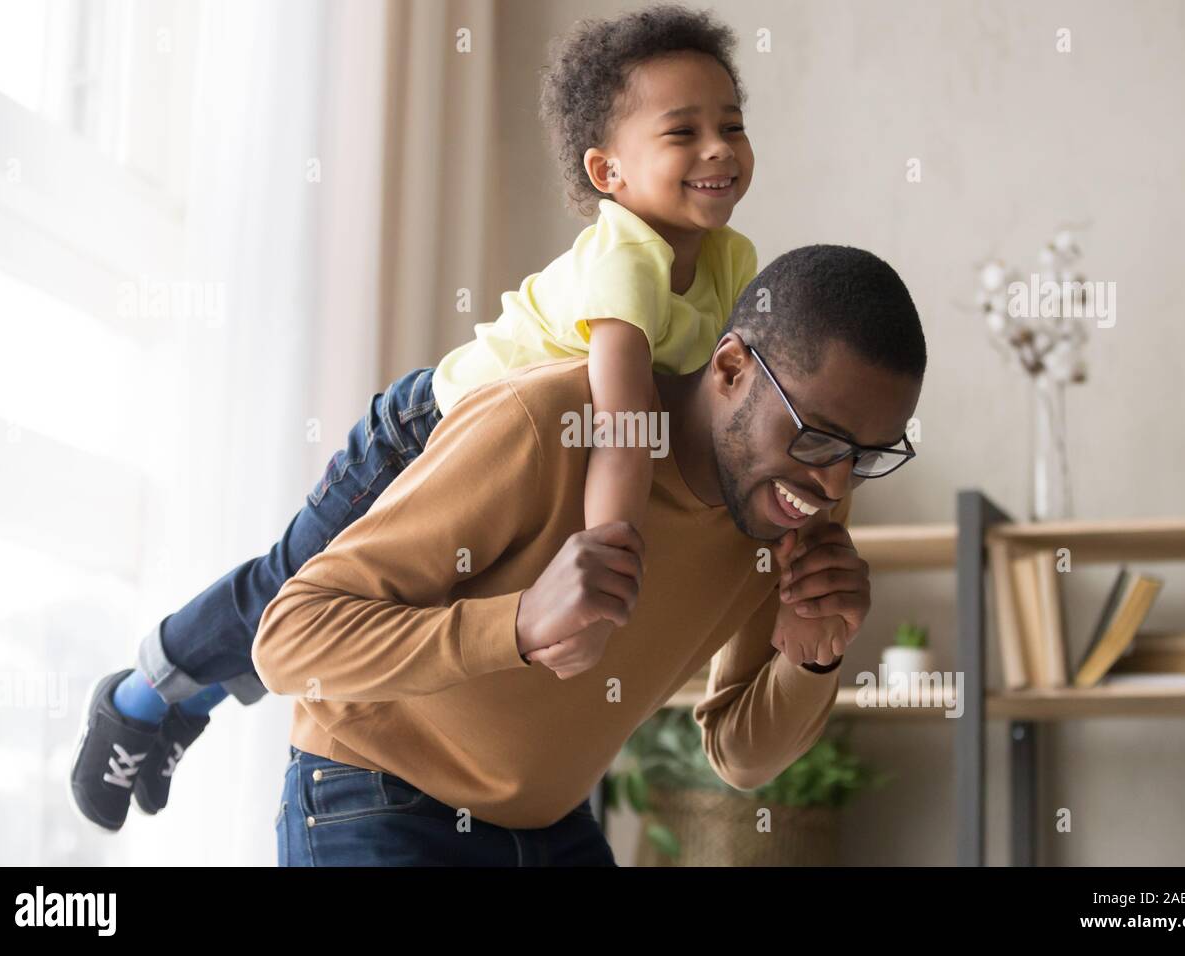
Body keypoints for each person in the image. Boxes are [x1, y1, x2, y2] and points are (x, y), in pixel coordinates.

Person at [69, 3, 761, 833]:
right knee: (291, 588)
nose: (718, 147)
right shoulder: (624, 261)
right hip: (420, 435)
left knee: (350, 605)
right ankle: (142, 697)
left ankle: (189, 703)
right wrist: (607, 568)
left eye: (732, 123)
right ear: (607, 173)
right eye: (683, 133)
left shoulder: (728, 259)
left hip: (495, 460)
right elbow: (623, 429)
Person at [257, 243, 926, 865]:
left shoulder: (798, 503)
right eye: (819, 439)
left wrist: (812, 656)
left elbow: (740, 757)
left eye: (869, 457)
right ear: (730, 368)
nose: (837, 482)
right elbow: (287, 639)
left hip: (547, 827)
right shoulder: (545, 422)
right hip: (374, 798)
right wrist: (516, 626)